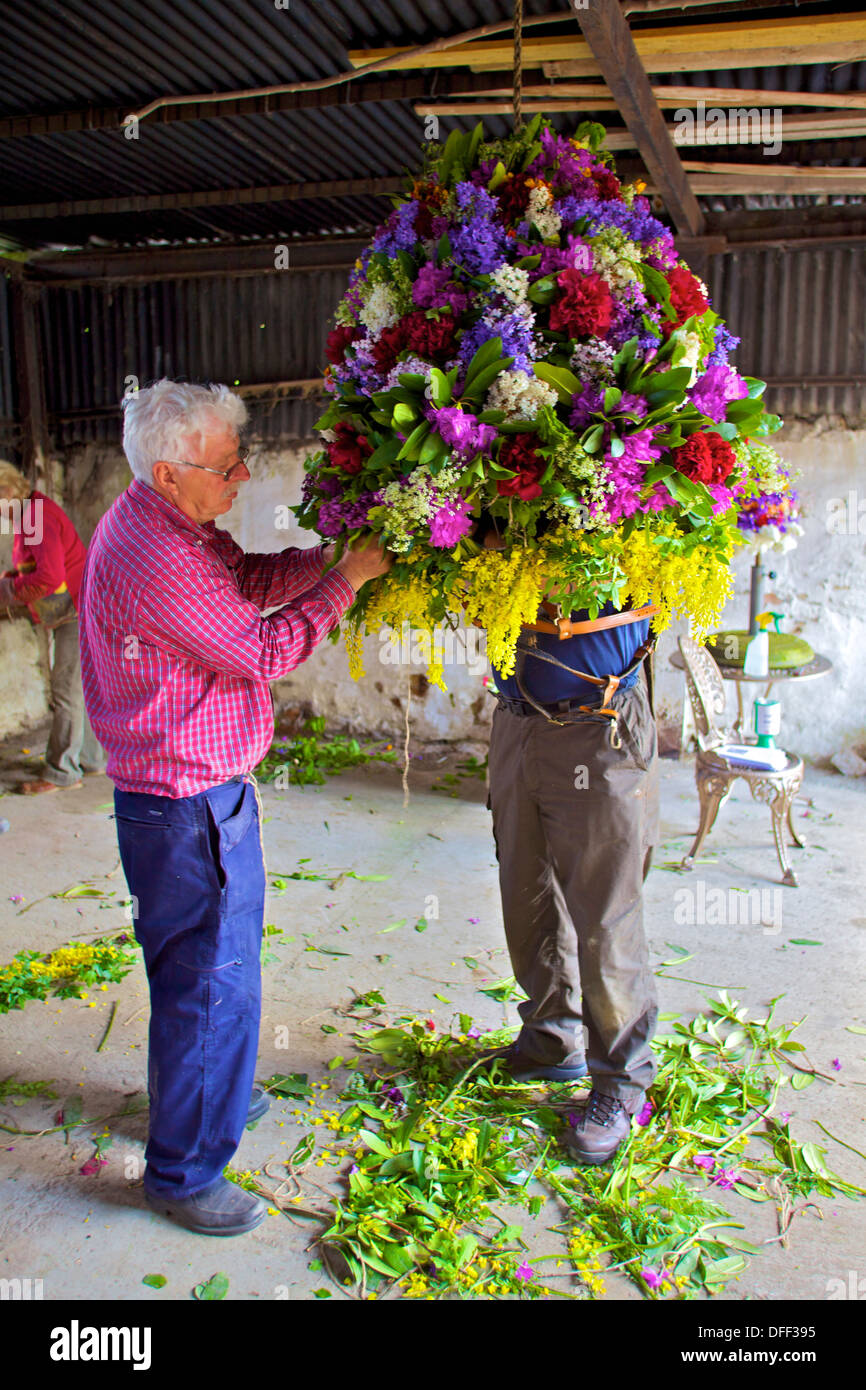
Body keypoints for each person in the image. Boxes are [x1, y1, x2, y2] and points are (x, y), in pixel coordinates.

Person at [78, 379, 391, 1235]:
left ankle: (204, 1097)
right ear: (172, 472)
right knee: (209, 983)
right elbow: (262, 649)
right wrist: (351, 580)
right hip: (186, 804)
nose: (241, 478)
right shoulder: (156, 557)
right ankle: (182, 1173)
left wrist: (327, 557)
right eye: (226, 466)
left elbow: (247, 579)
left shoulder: (170, 525)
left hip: (187, 796)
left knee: (201, 973)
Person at [480, 519, 660, 1165]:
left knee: (604, 913)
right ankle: (552, 1038)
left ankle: (621, 1080)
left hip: (598, 728)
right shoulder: (492, 487)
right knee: (525, 888)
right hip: (518, 721)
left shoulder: (625, 481)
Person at [0, 460, 104, 793]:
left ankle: (62, 773)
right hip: (76, 608)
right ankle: (91, 760)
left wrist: (6, 590)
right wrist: (13, 579)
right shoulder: (29, 513)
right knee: (77, 689)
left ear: (8, 490)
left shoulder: (34, 516)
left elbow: (48, 577)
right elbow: (35, 567)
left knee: (65, 691)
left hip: (76, 610)